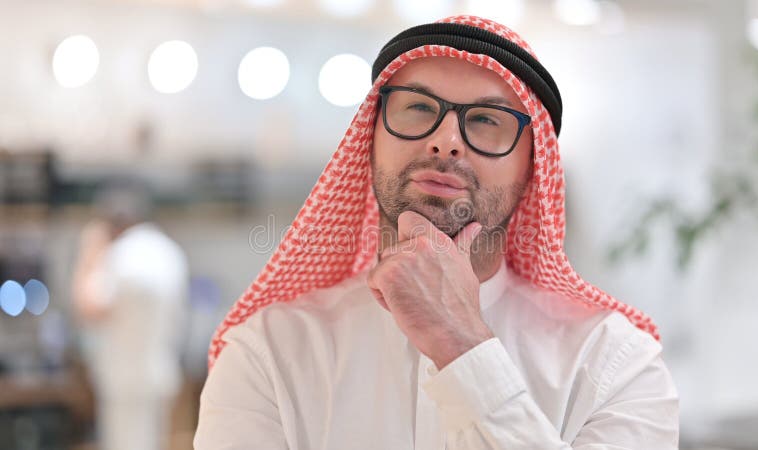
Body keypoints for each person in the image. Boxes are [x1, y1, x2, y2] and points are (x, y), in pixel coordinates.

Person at [194, 15, 679, 449]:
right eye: (419, 108)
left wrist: (462, 344)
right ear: (370, 137)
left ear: (534, 167)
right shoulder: (268, 355)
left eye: (487, 120)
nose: (445, 141)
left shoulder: (617, 365)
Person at [72, 181, 189, 450]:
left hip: (124, 378)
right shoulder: (168, 251)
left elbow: (89, 308)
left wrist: (89, 252)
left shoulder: (121, 254)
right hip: (160, 371)